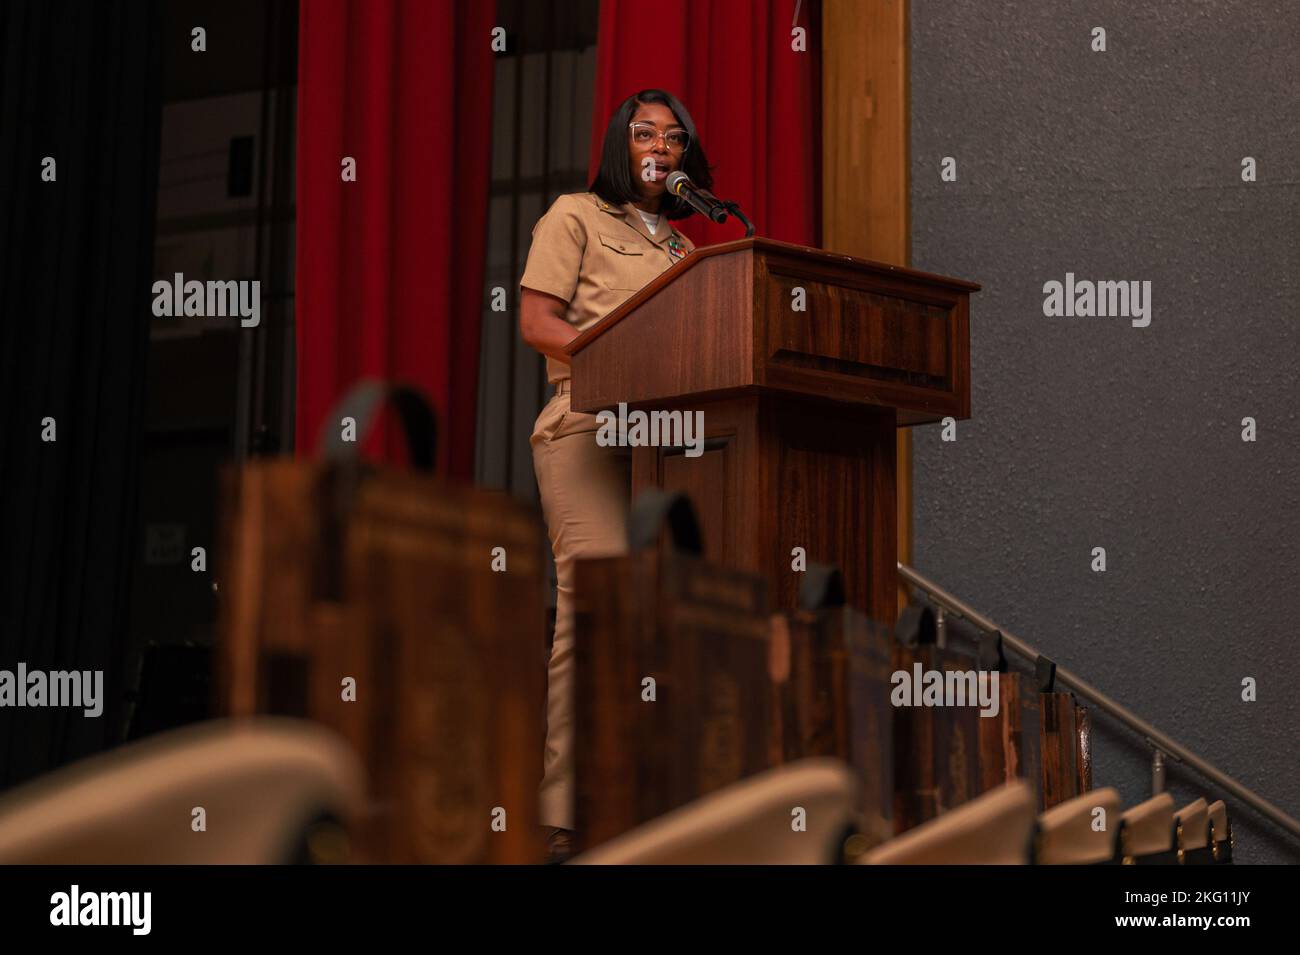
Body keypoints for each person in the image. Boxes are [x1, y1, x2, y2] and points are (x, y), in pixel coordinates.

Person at [518, 88, 714, 861]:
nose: (660, 148)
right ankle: (567, 816)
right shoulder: (576, 215)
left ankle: (650, 802)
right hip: (588, 427)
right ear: (619, 145)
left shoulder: (688, 253)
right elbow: (537, 322)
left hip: (673, 442)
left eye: (674, 138)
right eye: (644, 134)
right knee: (594, 609)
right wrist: (616, 366)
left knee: (667, 617)